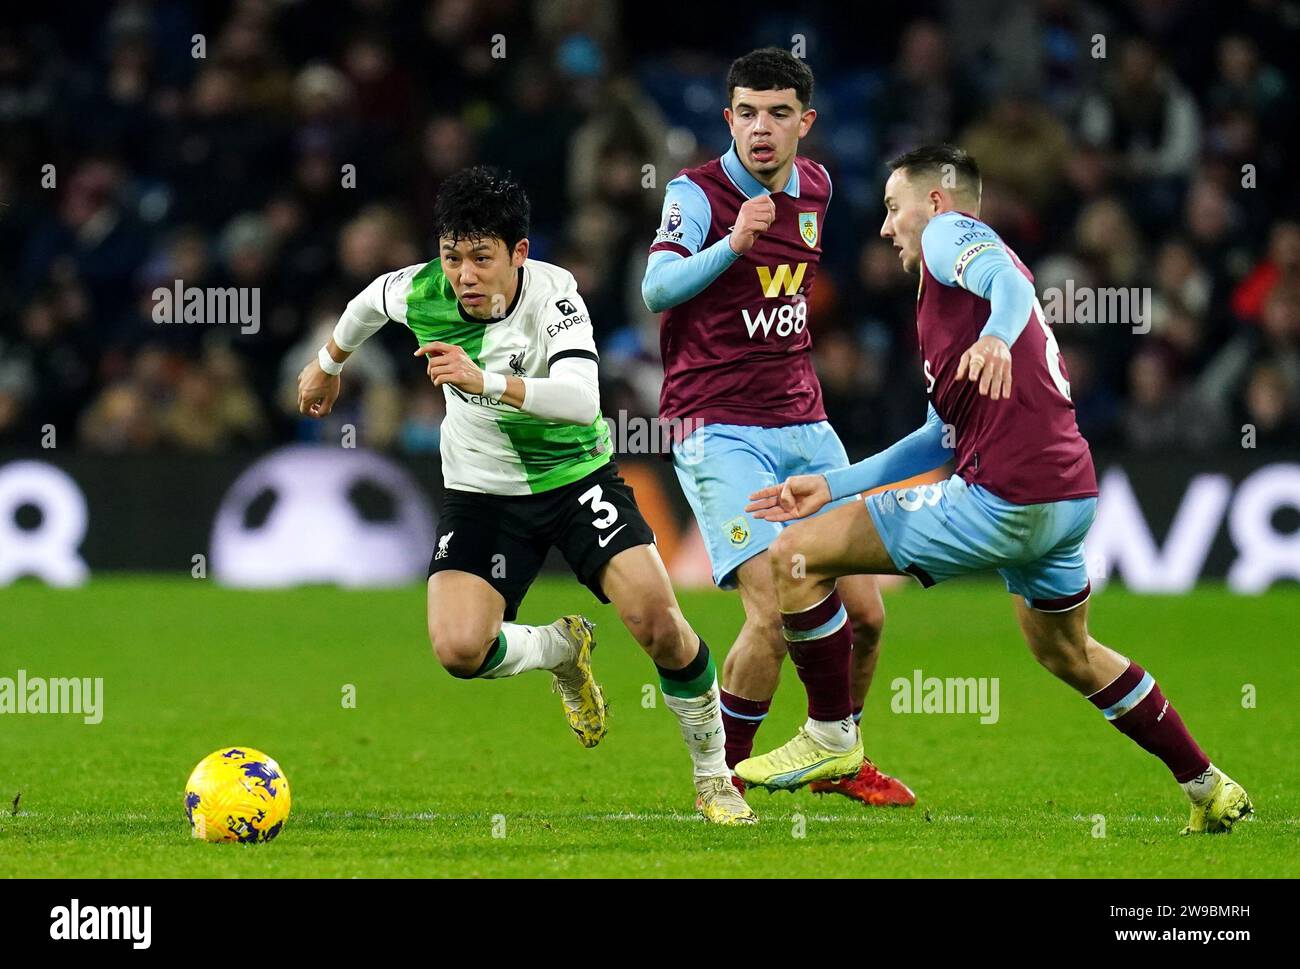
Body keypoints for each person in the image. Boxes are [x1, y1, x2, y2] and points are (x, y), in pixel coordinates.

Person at [740, 145, 1251, 836]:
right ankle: (1208, 785)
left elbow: (1010, 291)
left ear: (937, 202)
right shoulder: (939, 305)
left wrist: (999, 339)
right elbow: (936, 437)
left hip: (1004, 497)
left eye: (895, 209)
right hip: (1066, 500)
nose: (887, 227)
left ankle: (832, 736)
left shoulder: (956, 237)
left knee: (796, 557)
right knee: (1067, 651)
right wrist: (830, 483)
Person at [297, 166, 755, 825]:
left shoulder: (556, 295)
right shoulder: (424, 289)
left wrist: (482, 380)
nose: (465, 275)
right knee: (459, 648)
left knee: (659, 624)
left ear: (519, 253)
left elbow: (579, 399)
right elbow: (369, 301)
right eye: (453, 257)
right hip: (482, 492)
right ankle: (562, 650)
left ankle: (714, 780)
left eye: (482, 258)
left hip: (577, 480)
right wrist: (327, 363)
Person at [641, 47, 914, 806]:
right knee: (772, 606)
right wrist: (732, 244)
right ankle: (720, 776)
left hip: (804, 420)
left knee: (865, 612)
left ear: (806, 122)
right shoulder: (695, 195)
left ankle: (841, 751)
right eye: (748, 114)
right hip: (718, 426)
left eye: (779, 114)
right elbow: (656, 286)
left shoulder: (818, 187)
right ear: (728, 118)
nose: (762, 130)